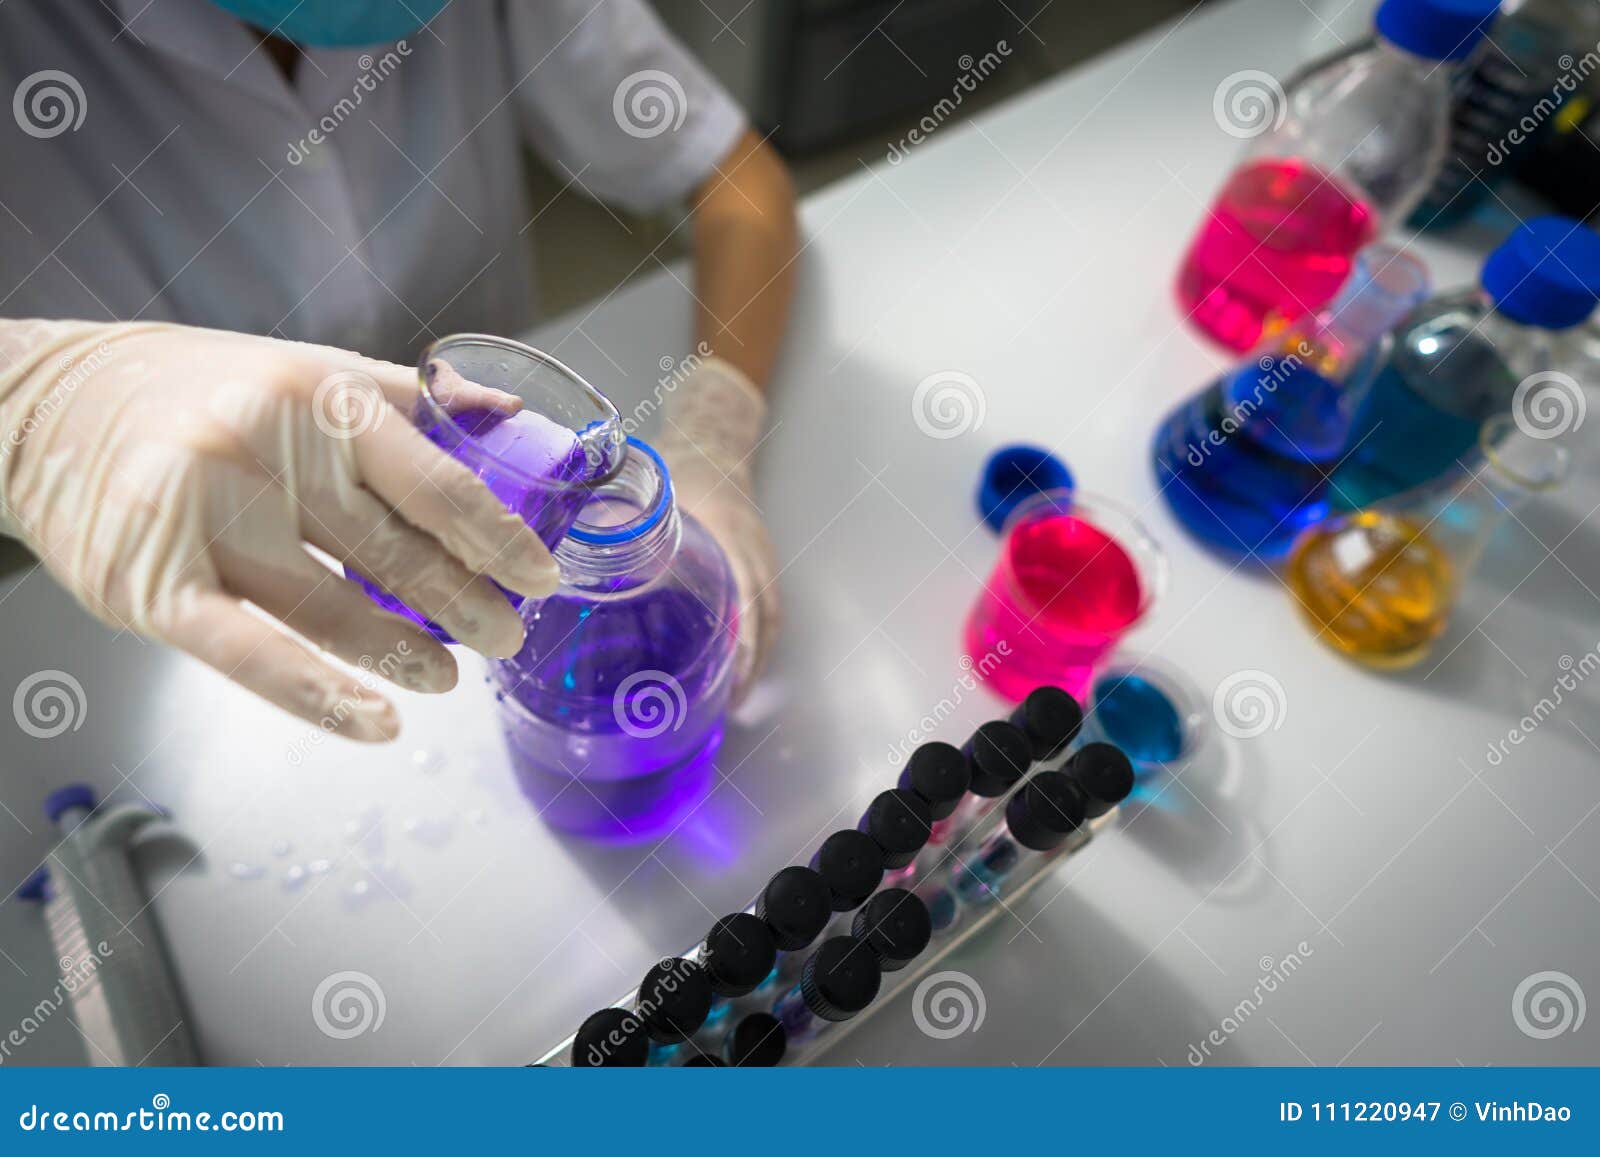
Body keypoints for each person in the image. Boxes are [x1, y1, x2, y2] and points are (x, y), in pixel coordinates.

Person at [0, 0, 797, 740]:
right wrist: (34, 405)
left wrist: (714, 431)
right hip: (182, 619)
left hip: (497, 523)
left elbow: (736, 178)